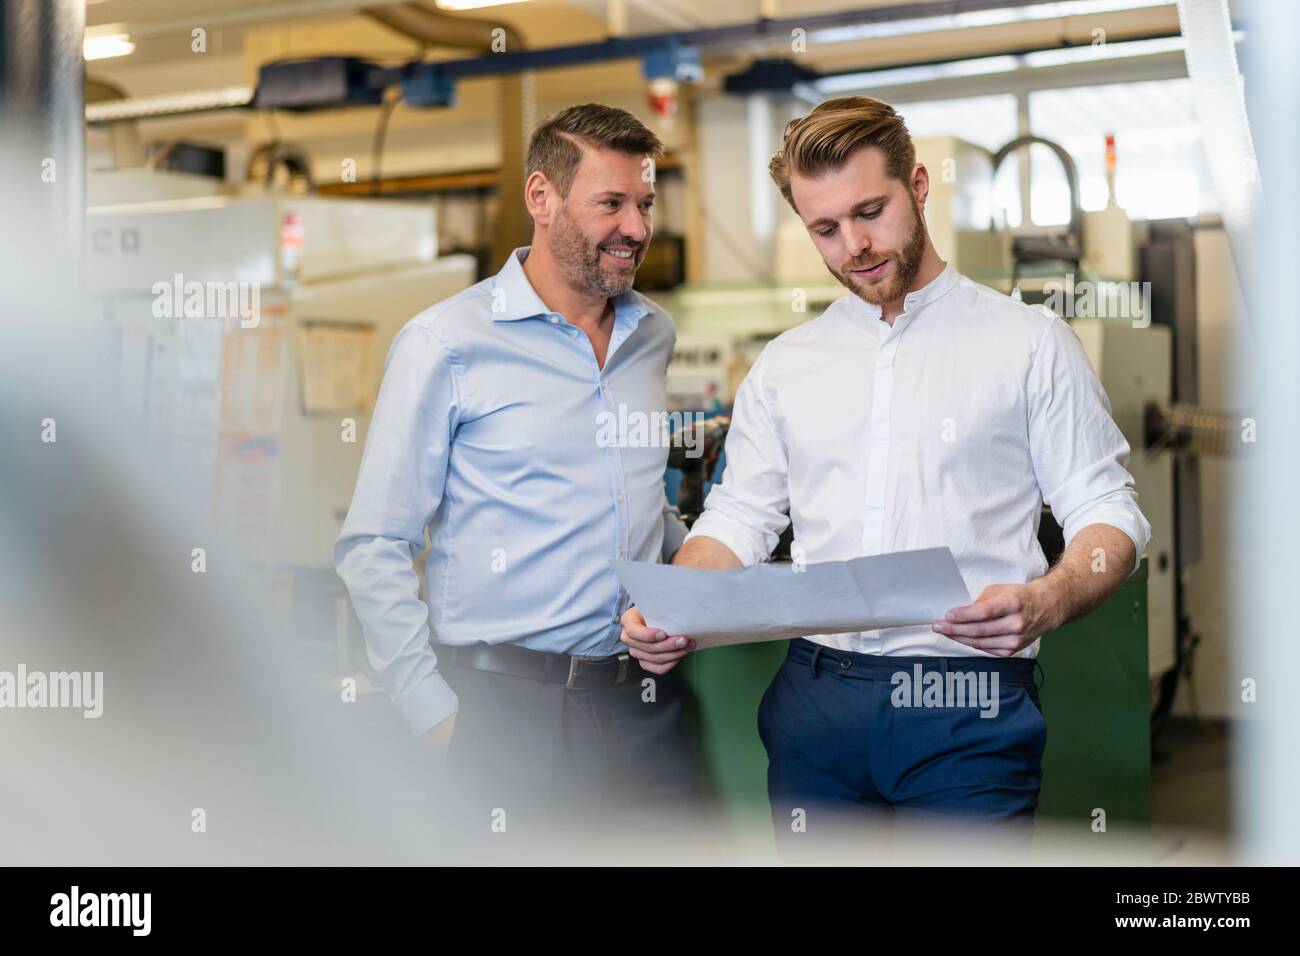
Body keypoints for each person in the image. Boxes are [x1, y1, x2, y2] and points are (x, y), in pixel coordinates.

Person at [620, 95, 1151, 857]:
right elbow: (739, 516)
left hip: (966, 697)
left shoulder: (1028, 344)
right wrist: (680, 602)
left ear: (921, 186)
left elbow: (1110, 512)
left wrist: (1047, 599)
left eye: (872, 210)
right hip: (815, 701)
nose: (855, 246)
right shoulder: (787, 364)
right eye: (825, 229)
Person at [336, 103, 703, 841]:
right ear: (542, 198)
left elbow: (637, 510)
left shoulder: (652, 334)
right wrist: (435, 718)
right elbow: (373, 544)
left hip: (643, 707)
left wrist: (705, 561)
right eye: (611, 203)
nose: (635, 227)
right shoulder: (446, 343)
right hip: (505, 707)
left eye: (645, 203)